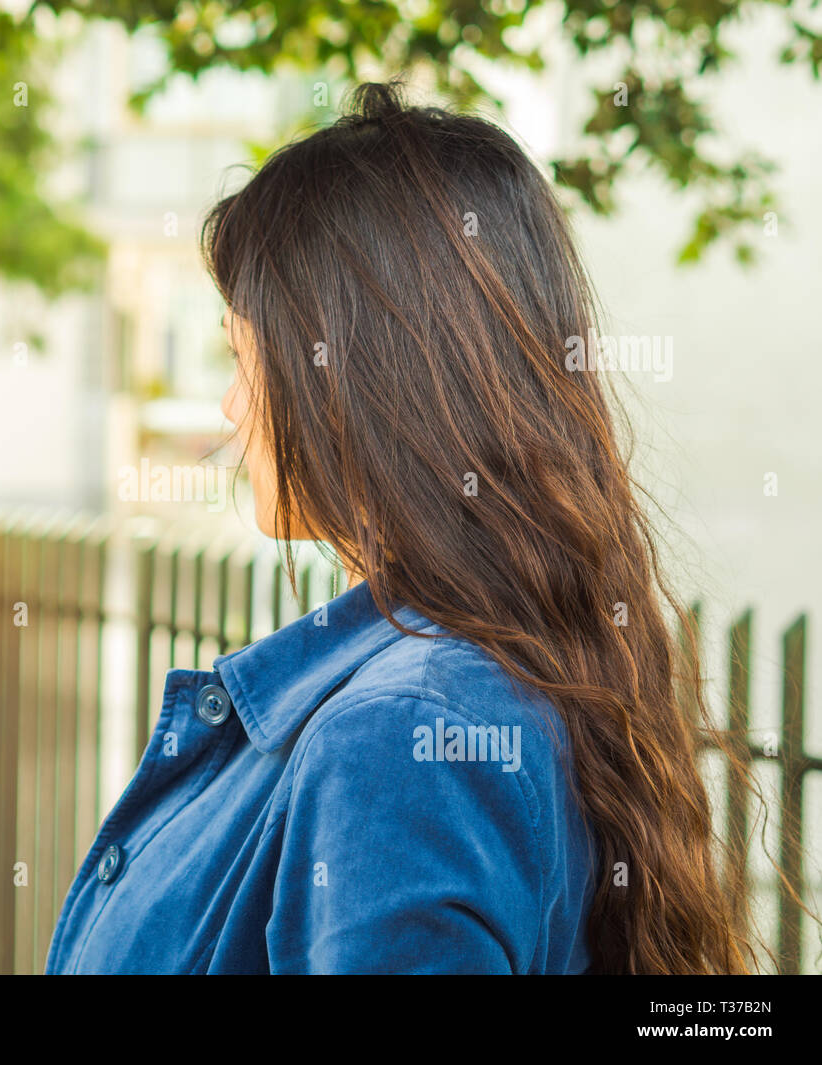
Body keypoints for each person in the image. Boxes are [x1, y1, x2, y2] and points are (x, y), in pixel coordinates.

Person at [45, 81, 751, 974]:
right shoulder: (498, 674)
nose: (231, 406)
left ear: (349, 375)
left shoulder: (401, 735)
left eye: (240, 354)